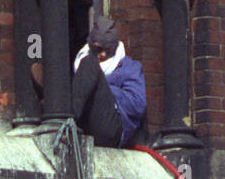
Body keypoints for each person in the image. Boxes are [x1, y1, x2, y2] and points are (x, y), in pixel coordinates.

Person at [31, 16, 146, 148]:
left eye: (108, 50)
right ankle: (57, 97)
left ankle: (63, 110)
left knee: (90, 64)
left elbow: (138, 105)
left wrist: (103, 88)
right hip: (87, 123)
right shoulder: (82, 63)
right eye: (98, 49)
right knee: (87, 67)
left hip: (113, 130)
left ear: (115, 47)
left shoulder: (130, 67)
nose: (102, 54)